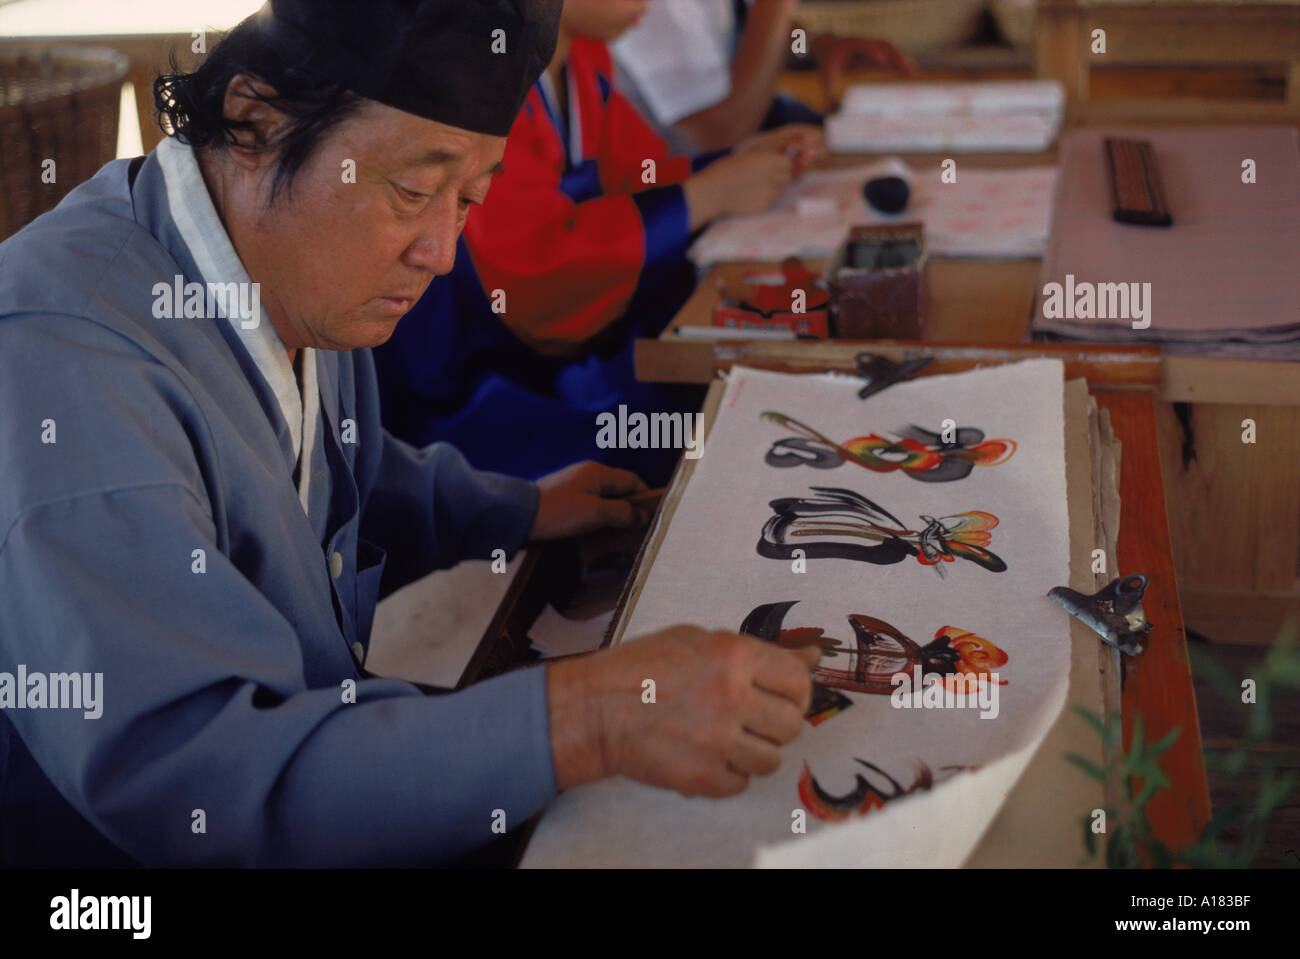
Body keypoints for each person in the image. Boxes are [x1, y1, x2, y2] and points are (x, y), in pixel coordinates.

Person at [0, 0, 817, 868]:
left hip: (308, 730)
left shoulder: (287, 272)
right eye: (413, 192)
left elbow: (327, 466)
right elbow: (195, 780)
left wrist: (518, 509)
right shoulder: (73, 358)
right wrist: (590, 716)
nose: (442, 251)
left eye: (469, 200)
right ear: (253, 123)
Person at [373, 0, 821, 483]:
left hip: (570, 354)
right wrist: (705, 195)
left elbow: (636, 174)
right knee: (699, 436)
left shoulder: (583, 58)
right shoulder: (482, 75)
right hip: (484, 388)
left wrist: (731, 168)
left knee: (733, 409)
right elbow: (537, 273)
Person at [613, 0, 913, 153]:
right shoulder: (652, 8)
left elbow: (757, 33)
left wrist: (816, 45)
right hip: (680, 210)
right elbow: (717, 135)